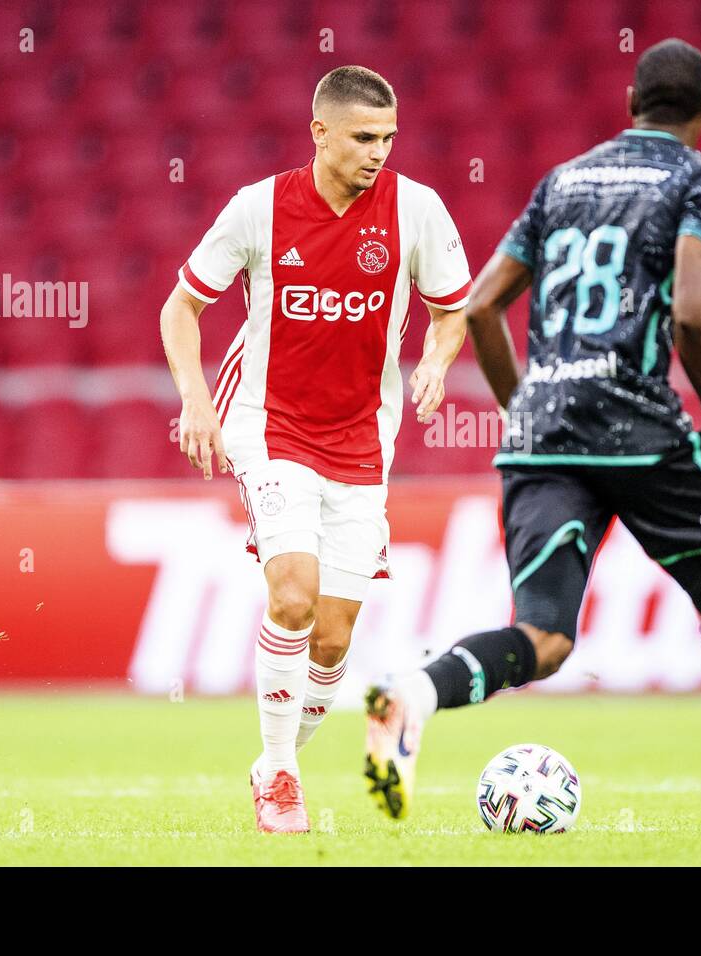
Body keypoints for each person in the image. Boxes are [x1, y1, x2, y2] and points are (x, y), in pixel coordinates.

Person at [364, 39, 701, 852]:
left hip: (542, 433)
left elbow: (480, 308)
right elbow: (693, 311)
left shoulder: (563, 180)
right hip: (636, 426)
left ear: (628, 100)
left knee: (545, 638)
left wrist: (529, 414)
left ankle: (414, 692)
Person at [160, 65, 471, 833]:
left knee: (332, 638)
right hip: (269, 424)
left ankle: (273, 761)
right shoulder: (259, 209)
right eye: (365, 138)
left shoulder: (417, 211)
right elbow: (182, 306)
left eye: (390, 139)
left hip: (363, 438)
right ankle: (285, 782)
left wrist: (435, 359)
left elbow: (452, 310)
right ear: (320, 133)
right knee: (292, 592)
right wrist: (196, 400)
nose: (379, 152)